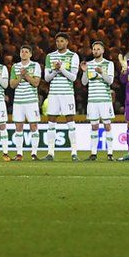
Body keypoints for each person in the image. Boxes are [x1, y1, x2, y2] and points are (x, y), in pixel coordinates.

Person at [43, 32, 80, 161]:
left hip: (67, 94)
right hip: (53, 93)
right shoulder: (50, 56)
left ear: (67, 42)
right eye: (57, 41)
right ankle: (50, 153)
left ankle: (74, 153)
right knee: (51, 122)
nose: (59, 43)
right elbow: (47, 78)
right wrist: (55, 70)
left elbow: (73, 77)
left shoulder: (73, 56)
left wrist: (62, 69)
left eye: (62, 41)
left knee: (70, 122)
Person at [81, 41, 116, 161]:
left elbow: (110, 81)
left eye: (98, 49)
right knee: (94, 126)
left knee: (107, 125)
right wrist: (85, 71)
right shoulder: (88, 64)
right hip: (92, 100)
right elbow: (84, 82)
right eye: (94, 49)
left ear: (103, 51)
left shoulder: (108, 64)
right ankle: (93, 153)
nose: (95, 51)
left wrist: (102, 72)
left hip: (105, 100)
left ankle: (110, 153)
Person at [9, 45, 42, 161]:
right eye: (22, 51)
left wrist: (26, 75)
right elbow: (12, 85)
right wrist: (20, 77)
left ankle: (34, 153)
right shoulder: (15, 66)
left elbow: (36, 83)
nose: (23, 53)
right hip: (18, 102)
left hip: (31, 101)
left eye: (26, 52)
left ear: (30, 54)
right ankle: (19, 154)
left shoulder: (35, 65)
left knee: (33, 126)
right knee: (18, 127)